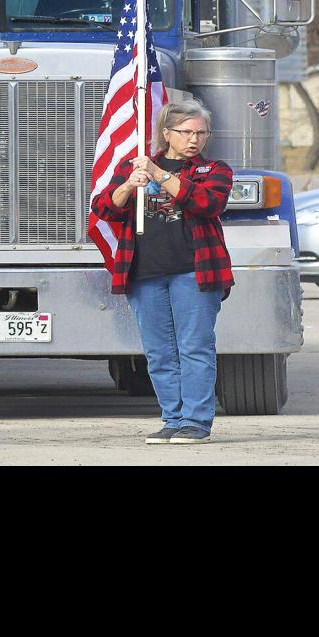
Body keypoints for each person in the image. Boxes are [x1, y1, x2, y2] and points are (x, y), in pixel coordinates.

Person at [90, 100, 234, 444]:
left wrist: (160, 175)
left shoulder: (214, 170)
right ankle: (172, 418)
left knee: (195, 347)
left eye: (201, 132)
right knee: (158, 351)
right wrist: (128, 185)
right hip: (144, 272)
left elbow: (206, 203)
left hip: (195, 272)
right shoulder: (134, 165)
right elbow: (103, 208)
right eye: (186, 132)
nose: (194, 139)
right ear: (167, 133)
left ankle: (196, 422)